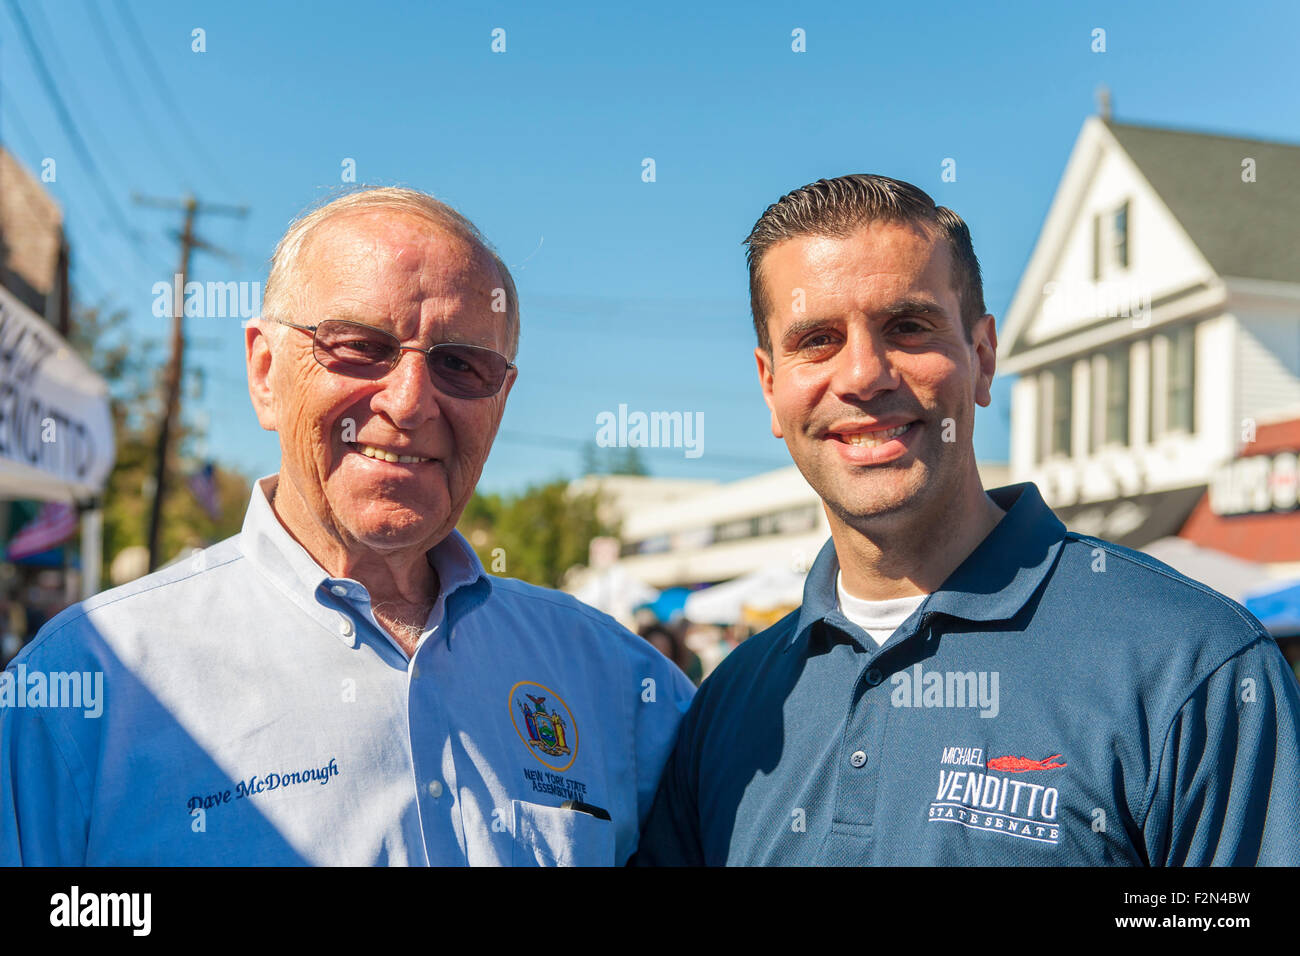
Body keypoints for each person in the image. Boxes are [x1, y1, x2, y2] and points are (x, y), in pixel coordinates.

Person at [0, 187, 694, 865]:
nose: (411, 400)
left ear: (501, 399)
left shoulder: (620, 686)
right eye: (360, 345)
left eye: (460, 364)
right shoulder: (85, 686)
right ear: (266, 372)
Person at [635, 173, 1300, 866]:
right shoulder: (731, 706)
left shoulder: (1192, 667)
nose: (863, 375)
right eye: (818, 340)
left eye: (908, 327)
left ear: (982, 358)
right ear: (771, 388)